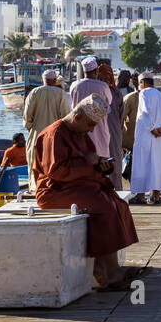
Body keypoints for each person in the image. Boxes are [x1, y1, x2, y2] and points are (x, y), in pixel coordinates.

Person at [33, 96, 142, 290]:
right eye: (90, 124)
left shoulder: (80, 132)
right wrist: (90, 165)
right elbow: (56, 172)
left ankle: (105, 267)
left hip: (77, 185)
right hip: (54, 191)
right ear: (77, 118)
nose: (91, 130)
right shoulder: (54, 134)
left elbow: (90, 158)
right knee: (103, 208)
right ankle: (110, 274)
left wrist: (102, 164)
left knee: (118, 203)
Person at [129, 74, 161, 204]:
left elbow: (145, 113)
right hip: (159, 137)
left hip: (146, 135)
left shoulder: (143, 94)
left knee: (142, 164)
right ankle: (156, 195)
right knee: (157, 165)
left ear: (142, 82)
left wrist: (153, 129)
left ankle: (140, 195)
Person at [23, 69, 68, 191]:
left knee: (35, 165)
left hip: (37, 137)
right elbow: (66, 117)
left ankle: (35, 190)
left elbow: (27, 117)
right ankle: (53, 191)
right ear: (54, 81)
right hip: (55, 138)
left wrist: (31, 129)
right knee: (54, 164)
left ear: (42, 81)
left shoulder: (34, 92)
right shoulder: (60, 93)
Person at [69, 55, 112, 162]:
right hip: (99, 128)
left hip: (79, 128)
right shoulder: (103, 86)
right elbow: (108, 103)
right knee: (101, 161)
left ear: (84, 72)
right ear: (96, 71)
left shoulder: (74, 86)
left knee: (82, 161)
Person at [97, 62, 125, 189]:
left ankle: (117, 191)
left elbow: (121, 115)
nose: (104, 81)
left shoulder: (116, 92)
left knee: (115, 161)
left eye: (106, 78)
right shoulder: (96, 91)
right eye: (101, 78)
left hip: (113, 131)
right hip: (97, 131)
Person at [121, 74, 140, 183]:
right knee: (131, 165)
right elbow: (121, 118)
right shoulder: (129, 98)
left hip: (145, 138)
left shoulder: (152, 97)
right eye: (135, 80)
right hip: (131, 138)